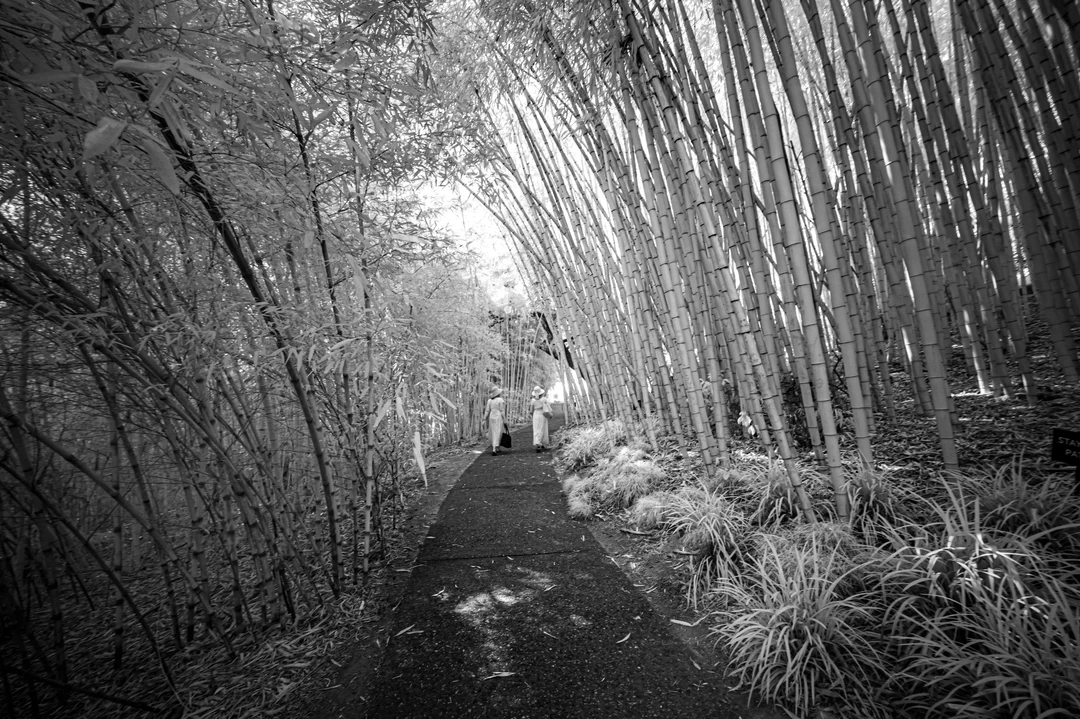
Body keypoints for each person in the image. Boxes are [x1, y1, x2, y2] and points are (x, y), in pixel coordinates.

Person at [530, 386, 552, 452]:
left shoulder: (533, 401)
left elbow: (531, 411)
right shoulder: (544, 399)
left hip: (535, 414)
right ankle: (542, 443)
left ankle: (538, 443)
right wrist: (550, 415)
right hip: (543, 414)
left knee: (536, 429)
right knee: (543, 428)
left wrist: (532, 416)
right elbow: (548, 408)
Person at [485, 387, 506, 456]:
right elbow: (502, 410)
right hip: (498, 417)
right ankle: (495, 448)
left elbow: (487, 410)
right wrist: (504, 419)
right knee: (498, 432)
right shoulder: (500, 400)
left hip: (491, 417)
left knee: (493, 432)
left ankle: (496, 448)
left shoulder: (489, 401)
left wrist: (484, 418)